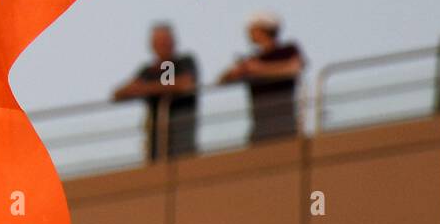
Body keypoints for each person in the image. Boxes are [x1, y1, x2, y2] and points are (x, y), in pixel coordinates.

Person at [113, 23, 199, 160]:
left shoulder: (184, 62)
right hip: (156, 146)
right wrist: (153, 88)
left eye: (166, 41)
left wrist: (146, 88)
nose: (163, 46)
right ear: (152, 45)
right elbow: (118, 94)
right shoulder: (148, 71)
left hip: (181, 142)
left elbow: (184, 84)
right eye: (159, 42)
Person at [219, 12, 305, 142]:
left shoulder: (287, 50)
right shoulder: (253, 59)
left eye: (253, 28)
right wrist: (237, 71)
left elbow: (294, 68)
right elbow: (222, 81)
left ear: (264, 30)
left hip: (283, 120)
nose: (249, 32)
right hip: (259, 123)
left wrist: (258, 69)